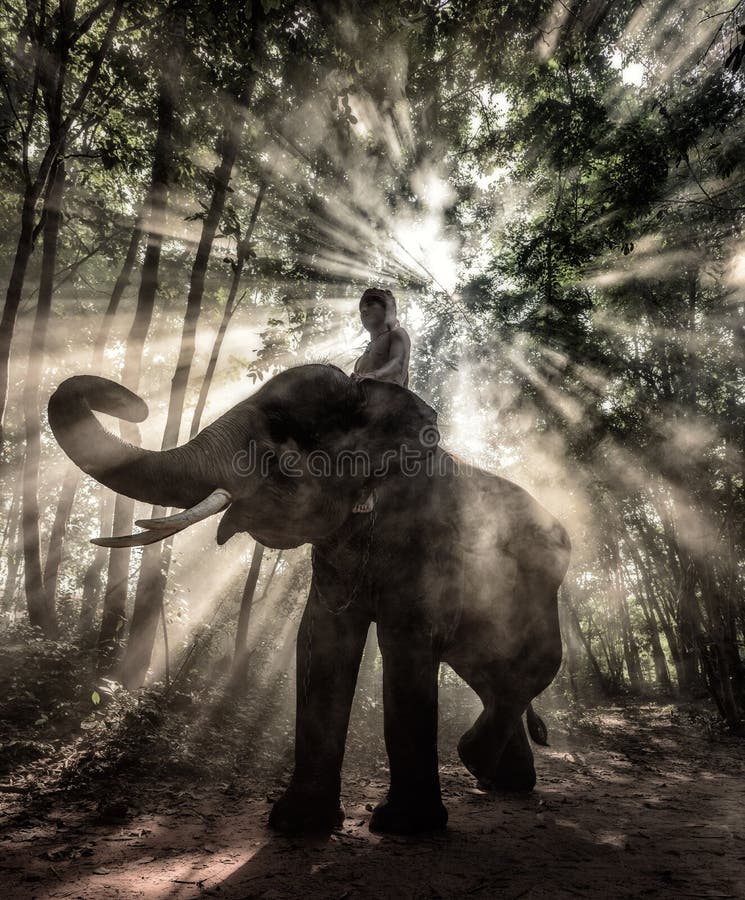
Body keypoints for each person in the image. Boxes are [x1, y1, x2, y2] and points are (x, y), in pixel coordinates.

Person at [350, 288, 411, 512]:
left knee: (376, 432)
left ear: (388, 309)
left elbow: (396, 365)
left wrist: (371, 376)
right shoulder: (361, 358)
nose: (364, 309)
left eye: (371, 302)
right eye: (361, 306)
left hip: (391, 405)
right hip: (363, 407)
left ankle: (371, 489)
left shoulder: (398, 335)